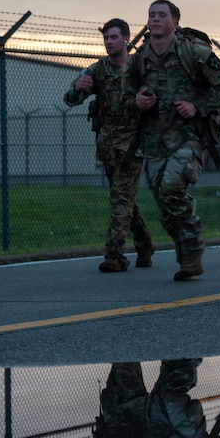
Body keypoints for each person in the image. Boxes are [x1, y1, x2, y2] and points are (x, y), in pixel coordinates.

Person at [126, 0, 220, 281]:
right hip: (154, 141)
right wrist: (136, 101)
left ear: (175, 22)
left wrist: (197, 105)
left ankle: (192, 247)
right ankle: (186, 251)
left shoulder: (193, 52)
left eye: (162, 15)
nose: (155, 19)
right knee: (164, 204)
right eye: (151, 14)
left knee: (172, 188)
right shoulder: (139, 59)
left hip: (188, 137)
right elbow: (124, 95)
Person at [63, 19, 155, 273]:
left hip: (132, 145)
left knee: (120, 199)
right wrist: (76, 88)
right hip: (107, 147)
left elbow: (155, 99)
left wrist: (144, 101)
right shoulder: (97, 70)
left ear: (126, 39)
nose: (109, 42)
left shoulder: (139, 68)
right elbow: (70, 99)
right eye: (106, 38)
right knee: (124, 199)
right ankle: (145, 245)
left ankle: (114, 256)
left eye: (114, 37)